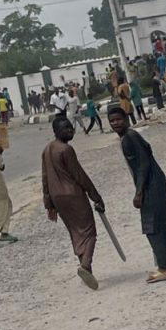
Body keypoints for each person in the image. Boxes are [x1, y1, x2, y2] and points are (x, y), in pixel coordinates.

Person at [107, 105, 166, 283]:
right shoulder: (129, 136)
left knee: (152, 227)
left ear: (126, 119)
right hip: (154, 181)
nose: (115, 123)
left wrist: (139, 192)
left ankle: (165, 267)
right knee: (160, 224)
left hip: (150, 184)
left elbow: (143, 164)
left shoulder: (129, 138)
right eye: (112, 121)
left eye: (118, 119)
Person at [41, 116, 106, 290]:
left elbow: (45, 178)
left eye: (71, 127)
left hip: (57, 198)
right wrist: (95, 195)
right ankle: (85, 265)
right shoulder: (66, 149)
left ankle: (87, 271)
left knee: (75, 231)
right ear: (56, 131)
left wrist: (48, 203)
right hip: (73, 195)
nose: (70, 130)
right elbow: (79, 174)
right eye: (65, 128)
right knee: (89, 231)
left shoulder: (47, 149)